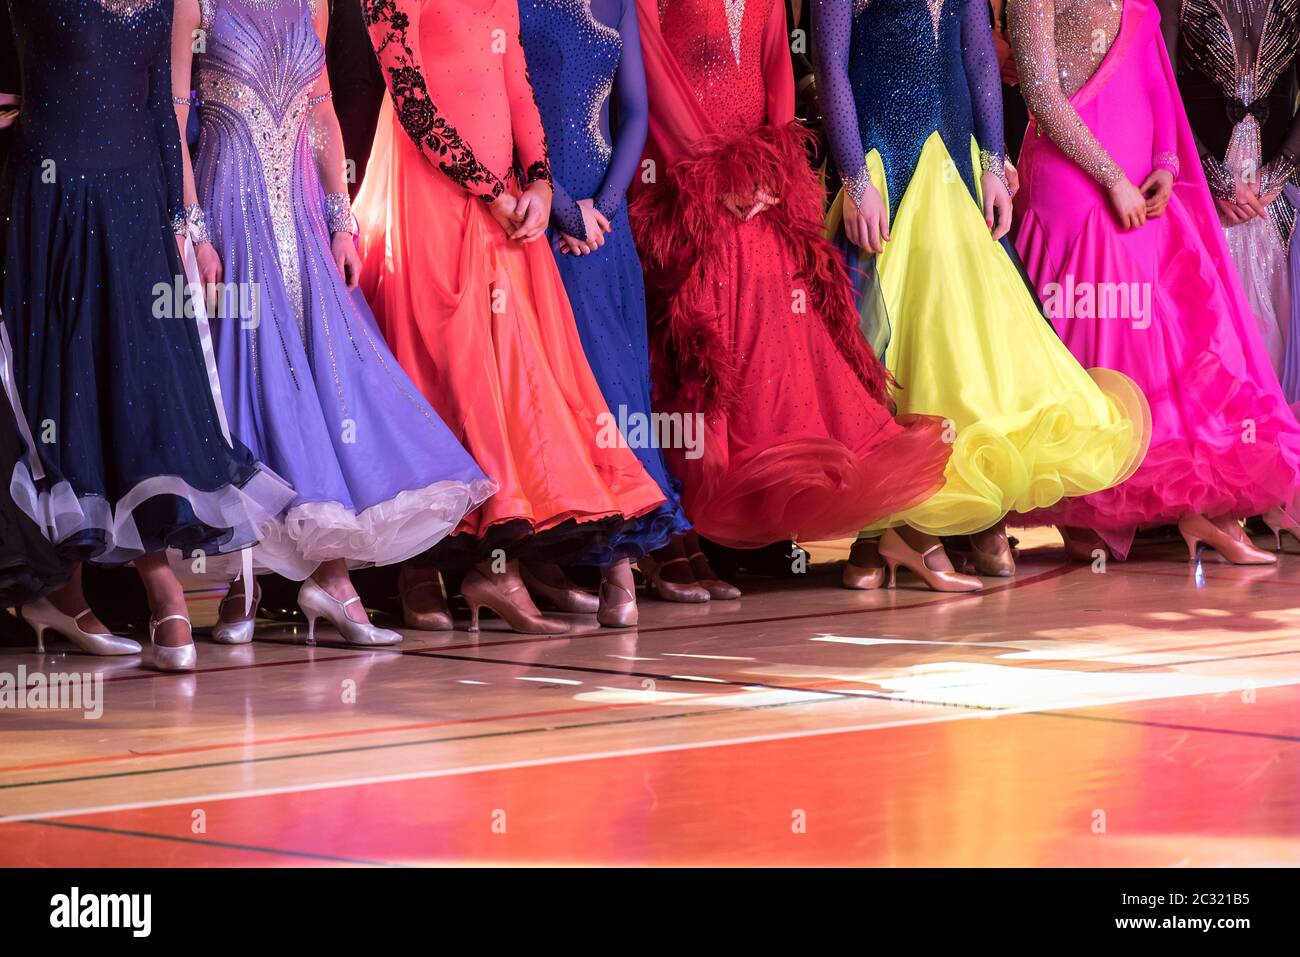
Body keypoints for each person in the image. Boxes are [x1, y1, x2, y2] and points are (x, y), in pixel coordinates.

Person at [171, 0, 495, 645]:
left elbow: (321, 108)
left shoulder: (312, 1)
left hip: (302, 215)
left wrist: (340, 218)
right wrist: (195, 227)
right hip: (231, 204)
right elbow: (175, 115)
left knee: (328, 378)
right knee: (249, 382)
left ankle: (328, 576)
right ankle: (251, 579)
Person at [356, 0, 668, 633]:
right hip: (431, 197)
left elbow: (517, 83)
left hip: (504, 204)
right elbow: (411, 95)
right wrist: (494, 191)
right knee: (438, 375)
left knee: (507, 386)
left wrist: (542, 183)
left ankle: (495, 570)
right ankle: (419, 569)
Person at [813, 0, 1147, 588]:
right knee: (895, 345)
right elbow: (831, 67)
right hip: (886, 168)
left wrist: (994, 160)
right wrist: (855, 177)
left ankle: (936, 523)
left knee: (969, 345)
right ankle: (879, 531)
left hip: (958, 170)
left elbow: (978, 61)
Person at [1, 0, 294, 670]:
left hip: (135, 203)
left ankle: (158, 581)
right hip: (56, 197)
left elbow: (162, 106)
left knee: (143, 387)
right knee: (60, 384)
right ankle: (61, 587)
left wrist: (181, 219)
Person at [629, 0, 954, 588]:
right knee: (691, 341)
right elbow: (651, 64)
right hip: (684, 177)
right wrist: (715, 175)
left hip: (760, 185)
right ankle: (669, 532)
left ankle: (734, 525)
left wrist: (773, 169)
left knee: (779, 325)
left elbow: (778, 72)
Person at [1009, 0, 1300, 560]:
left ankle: (1196, 505)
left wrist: (1166, 163)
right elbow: (1042, 96)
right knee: (1097, 336)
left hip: (1142, 187)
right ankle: (1091, 496)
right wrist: (1111, 176)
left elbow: (1158, 79)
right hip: (1076, 187)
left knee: (1164, 345)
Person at [1160, 0, 1300, 403]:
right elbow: (1162, 88)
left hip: (1276, 189)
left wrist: (1281, 168)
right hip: (1198, 188)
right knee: (1209, 314)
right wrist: (1212, 175)